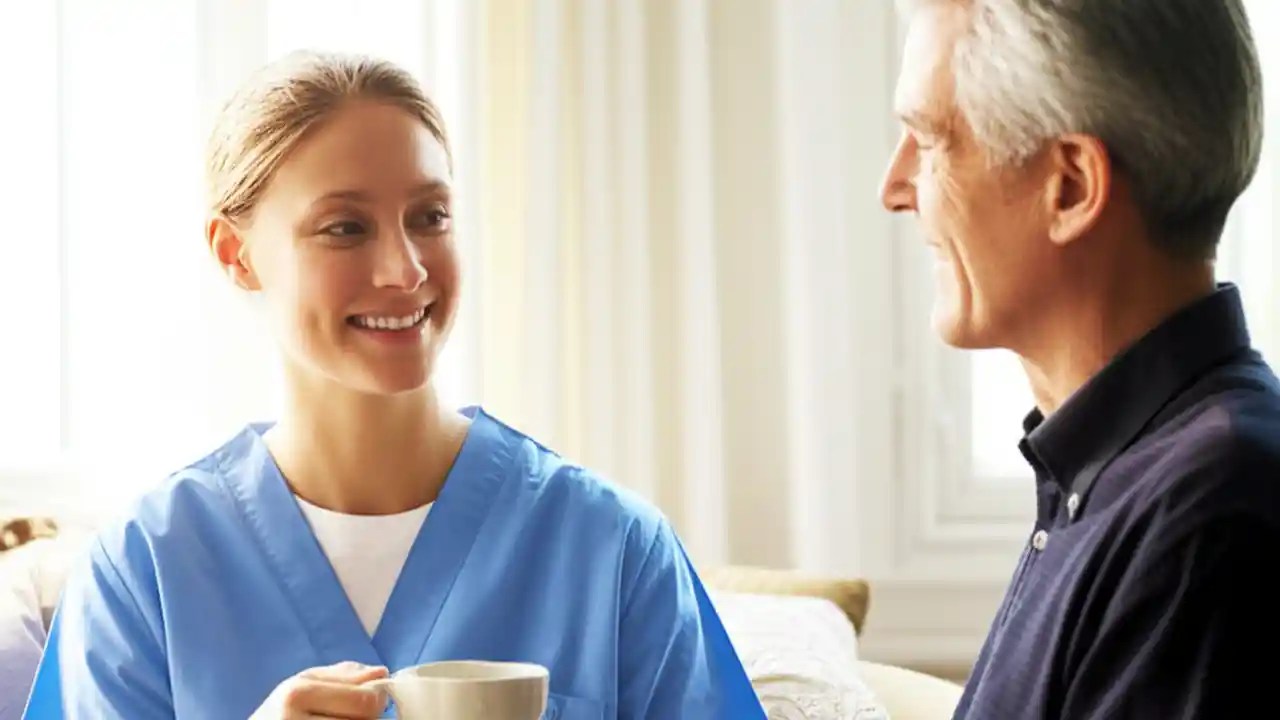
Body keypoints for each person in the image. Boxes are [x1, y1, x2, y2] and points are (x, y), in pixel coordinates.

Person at [22, 50, 763, 720]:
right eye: (345, 228)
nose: (405, 270)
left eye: (429, 217)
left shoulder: (614, 550)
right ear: (236, 254)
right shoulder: (142, 572)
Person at [881, 0, 1279, 718]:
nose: (895, 187)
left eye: (931, 141)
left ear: (1069, 187)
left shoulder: (1212, 517)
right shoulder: (1120, 479)